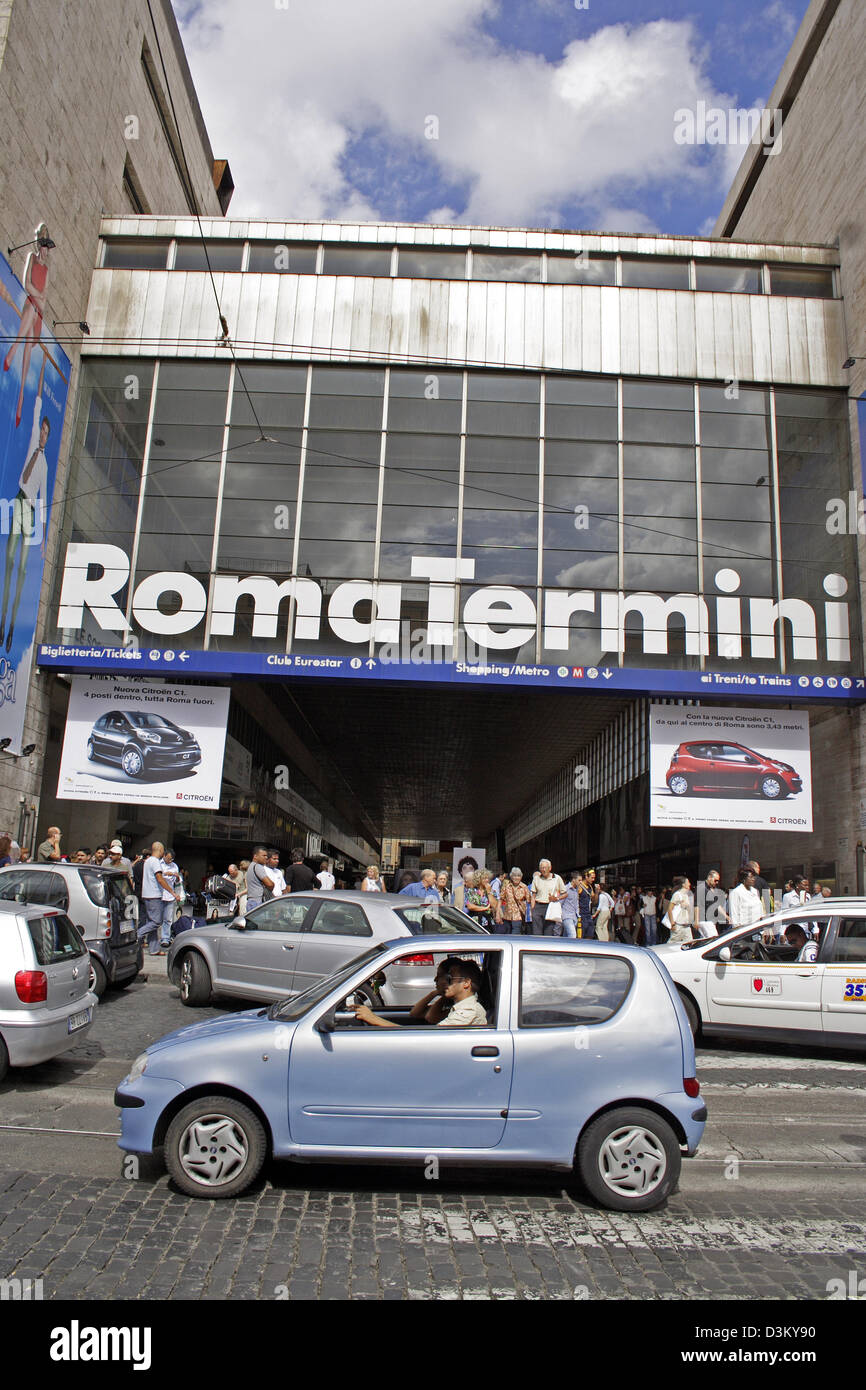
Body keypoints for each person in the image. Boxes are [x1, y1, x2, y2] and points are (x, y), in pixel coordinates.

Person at [354, 959, 488, 1028]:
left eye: (450, 978)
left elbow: (426, 1039)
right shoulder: (458, 1006)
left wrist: (374, 1019)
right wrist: (439, 993)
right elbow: (418, 1015)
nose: (446, 982)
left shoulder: (468, 1011)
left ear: (466, 983)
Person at [138, 841, 178, 956]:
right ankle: (136, 936)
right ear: (160, 851)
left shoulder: (148, 861)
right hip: (154, 895)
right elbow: (160, 879)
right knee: (156, 922)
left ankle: (154, 949)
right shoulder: (155, 862)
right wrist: (172, 892)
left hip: (147, 894)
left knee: (152, 922)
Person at [408, 957, 467, 1023]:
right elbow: (415, 1013)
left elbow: (431, 1017)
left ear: (450, 979)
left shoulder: (462, 1006)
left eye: (439, 976)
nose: (435, 979)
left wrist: (446, 992)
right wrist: (434, 993)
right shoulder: (448, 1002)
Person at [530, 859, 567, 936]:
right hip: (538, 906)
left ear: (550, 868)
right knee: (537, 933)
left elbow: (565, 894)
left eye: (545, 867)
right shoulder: (536, 878)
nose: (543, 870)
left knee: (548, 933)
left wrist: (557, 898)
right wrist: (532, 910)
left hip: (550, 907)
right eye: (541, 868)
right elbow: (533, 895)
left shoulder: (557, 878)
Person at [498, 868, 531, 935]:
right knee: (507, 934)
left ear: (521, 877)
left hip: (518, 916)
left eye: (518, 876)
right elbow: (500, 899)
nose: (516, 878)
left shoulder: (524, 887)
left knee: (515, 934)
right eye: (514, 876)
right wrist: (498, 913)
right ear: (511, 877)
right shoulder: (507, 886)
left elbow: (529, 900)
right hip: (507, 915)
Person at [695, 870, 727, 938]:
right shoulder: (701, 888)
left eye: (718, 881)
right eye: (715, 880)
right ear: (709, 877)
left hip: (709, 920)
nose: (717, 882)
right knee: (714, 941)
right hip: (705, 920)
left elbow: (716, 904)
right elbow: (696, 905)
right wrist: (696, 920)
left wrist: (726, 916)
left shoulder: (711, 889)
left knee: (707, 941)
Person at [245, 845, 275, 910]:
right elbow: (270, 884)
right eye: (263, 855)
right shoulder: (258, 866)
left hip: (251, 901)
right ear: (255, 856)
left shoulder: (251, 866)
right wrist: (272, 885)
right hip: (257, 902)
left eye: (266, 856)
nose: (266, 857)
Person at [667, 876, 694, 944]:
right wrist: (672, 923)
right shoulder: (677, 895)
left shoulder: (687, 895)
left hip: (687, 926)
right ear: (683, 884)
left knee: (689, 944)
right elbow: (670, 909)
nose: (689, 884)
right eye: (688, 882)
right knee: (672, 945)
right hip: (678, 926)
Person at [561, 871, 581, 939]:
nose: (580, 882)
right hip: (566, 916)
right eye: (579, 880)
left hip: (574, 917)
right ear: (573, 880)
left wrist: (578, 914)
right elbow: (560, 902)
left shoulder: (576, 890)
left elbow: (576, 903)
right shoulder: (566, 889)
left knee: (566, 937)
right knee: (572, 935)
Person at [577, 870, 595, 939]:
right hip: (581, 916)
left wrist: (596, 892)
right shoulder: (580, 886)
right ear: (586, 877)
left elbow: (594, 901)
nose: (593, 880)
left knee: (590, 935)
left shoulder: (590, 887)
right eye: (592, 878)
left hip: (588, 915)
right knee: (580, 936)